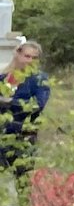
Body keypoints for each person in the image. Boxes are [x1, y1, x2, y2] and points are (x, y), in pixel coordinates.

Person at [1, 41, 48, 184]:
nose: (30, 61)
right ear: (18, 54)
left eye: (34, 58)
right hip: (2, 134)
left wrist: (9, 102)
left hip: (23, 136)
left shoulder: (39, 80)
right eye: (27, 56)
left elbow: (38, 105)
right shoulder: (4, 78)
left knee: (23, 183)